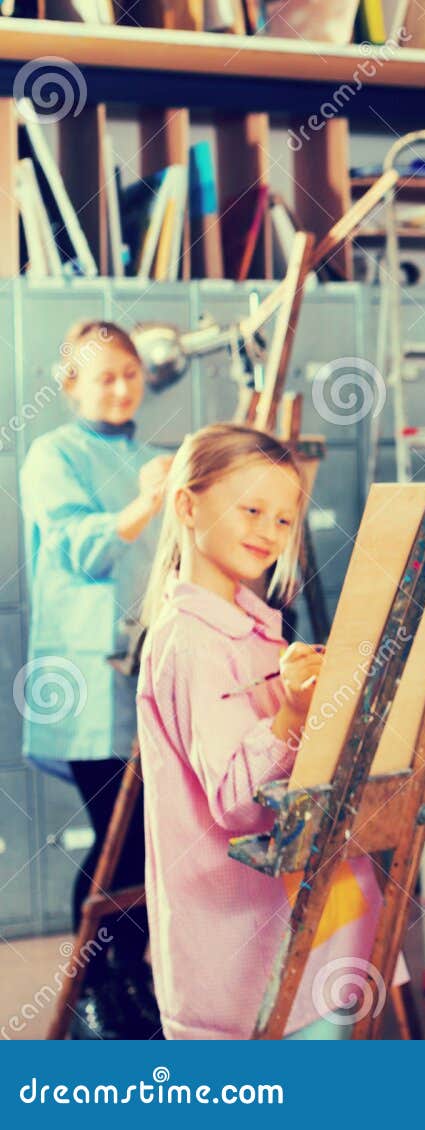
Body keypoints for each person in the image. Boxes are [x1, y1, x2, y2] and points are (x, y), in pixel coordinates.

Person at [136, 423, 389, 1039]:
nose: (269, 531)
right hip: (238, 934)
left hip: (300, 919)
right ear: (188, 505)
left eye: (283, 520)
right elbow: (239, 802)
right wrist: (293, 717)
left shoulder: (257, 629)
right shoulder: (190, 641)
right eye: (251, 509)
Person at [19, 320, 169, 1039]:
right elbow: (81, 548)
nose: (120, 388)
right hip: (84, 688)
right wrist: (148, 501)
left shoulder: (151, 458)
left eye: (131, 374)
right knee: (120, 840)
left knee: (150, 846)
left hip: (144, 681)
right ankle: (96, 991)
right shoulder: (53, 455)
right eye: (103, 376)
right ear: (70, 383)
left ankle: (127, 980)